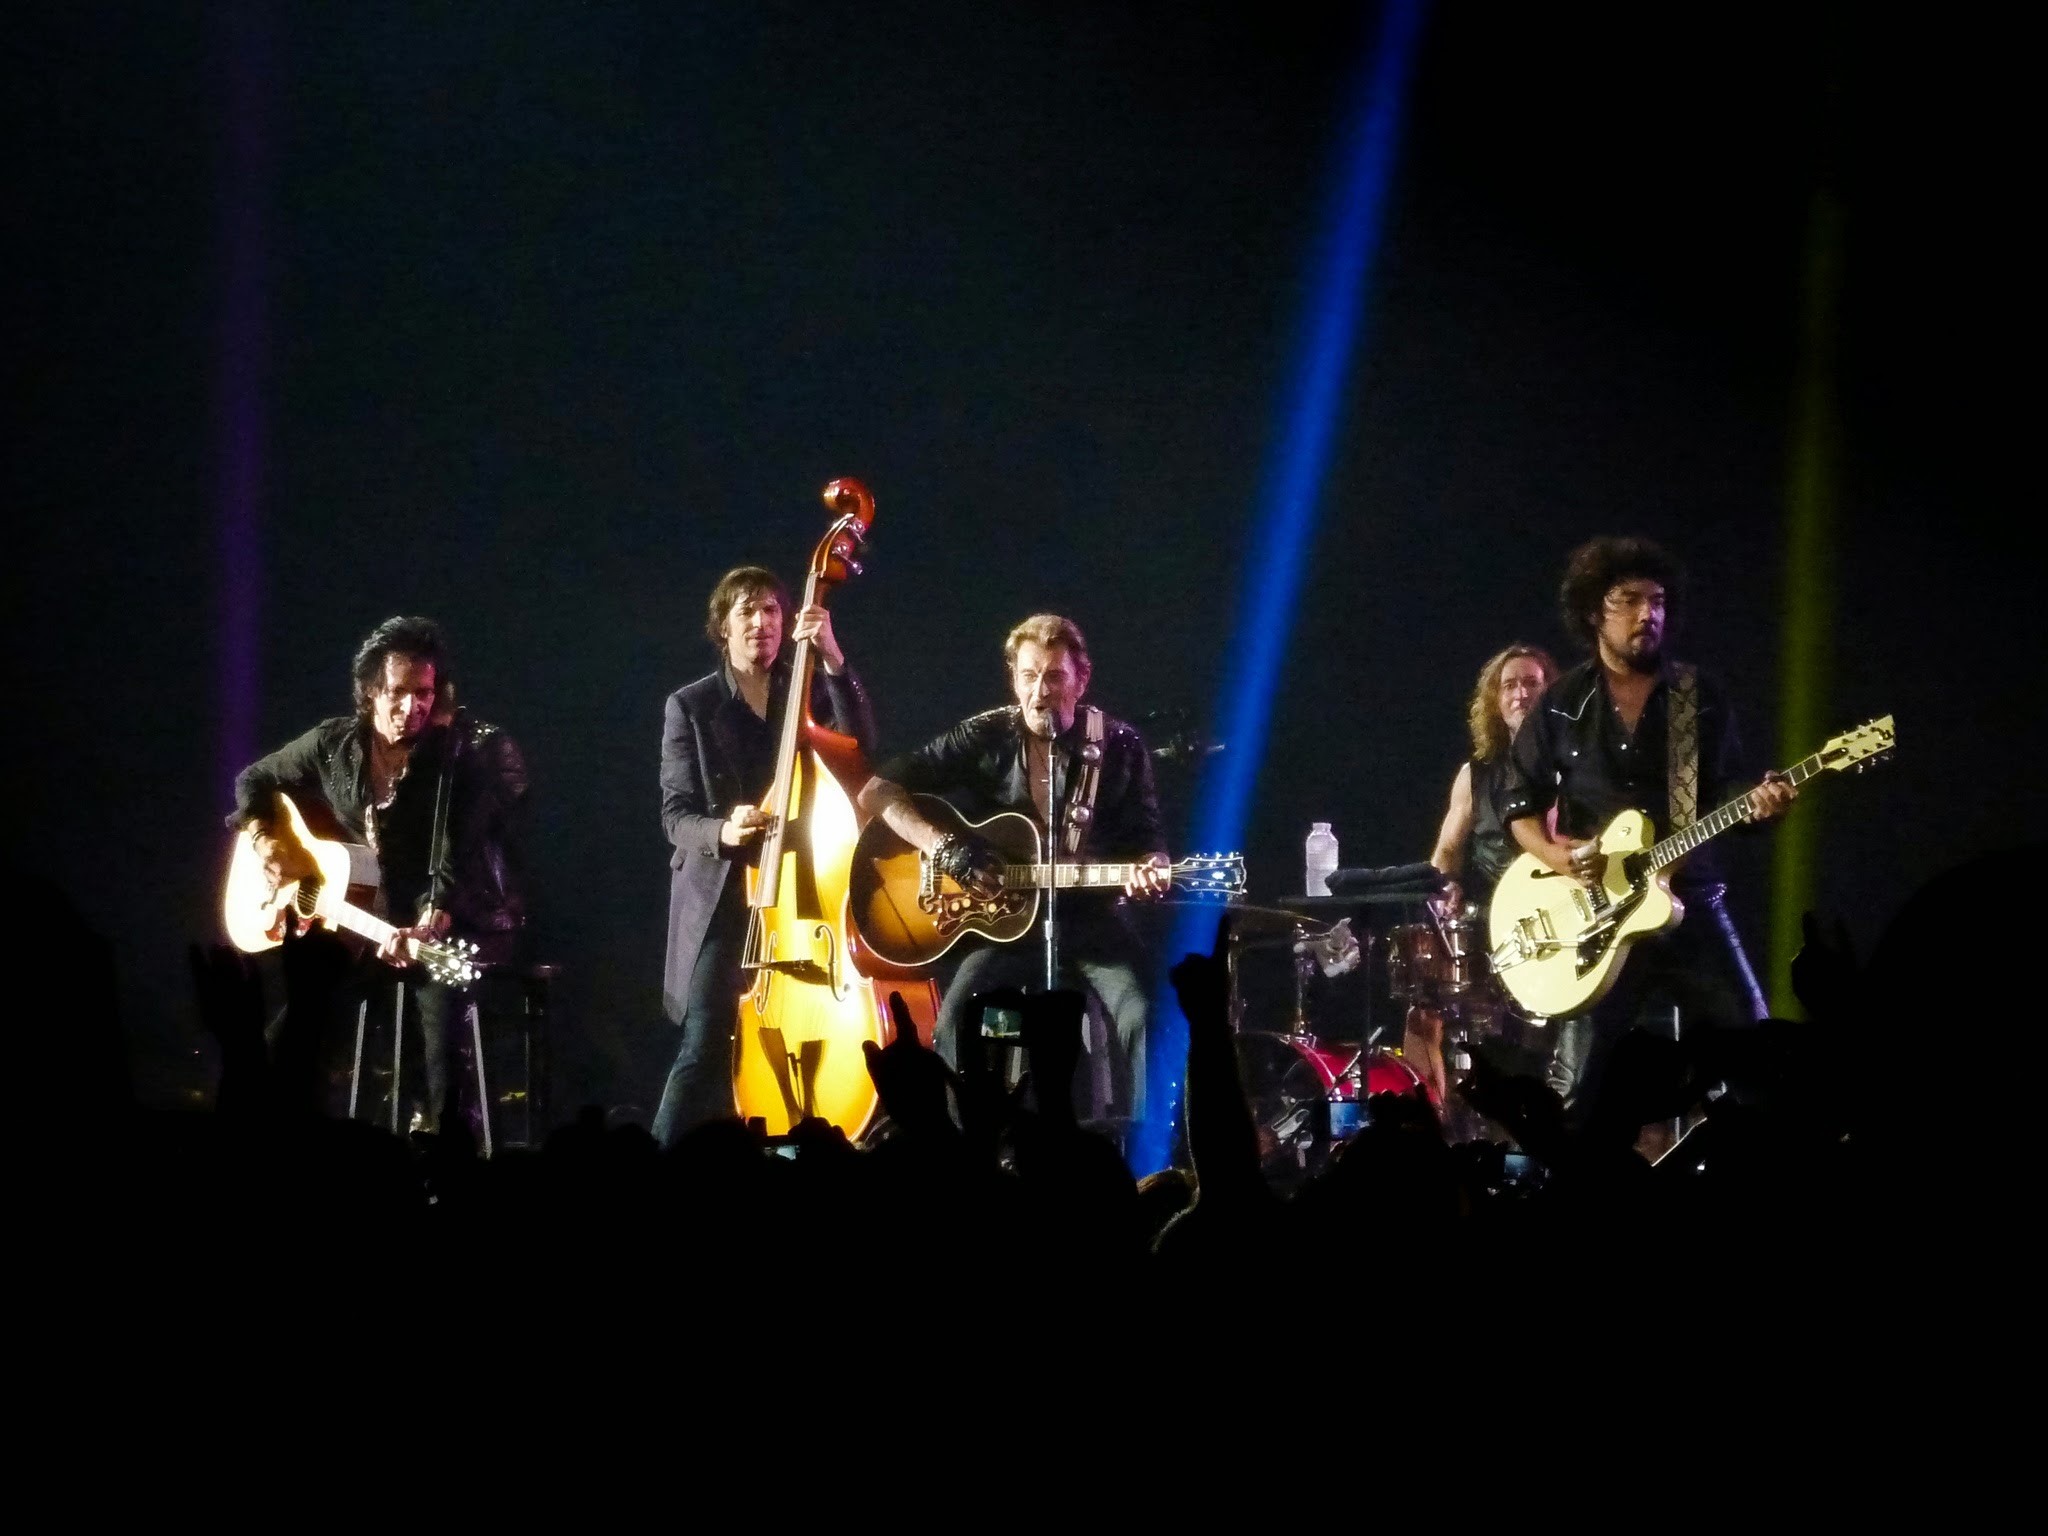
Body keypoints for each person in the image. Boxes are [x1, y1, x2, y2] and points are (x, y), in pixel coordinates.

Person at [1499, 537, 1795, 1114]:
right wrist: (1558, 857)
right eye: (1629, 600)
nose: (1647, 614)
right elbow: (1518, 806)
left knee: (1758, 1053)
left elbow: (1728, 787)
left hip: (1690, 900)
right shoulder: (1561, 702)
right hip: (1597, 917)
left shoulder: (1697, 695)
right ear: (1593, 612)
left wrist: (1761, 804)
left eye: (1657, 601)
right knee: (1583, 1089)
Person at [855, 614, 1168, 1127]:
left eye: (1054, 677)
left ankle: (1149, 1160)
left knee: (1144, 1013)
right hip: (1005, 929)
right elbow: (877, 791)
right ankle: (963, 1155)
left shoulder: (1121, 746)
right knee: (953, 1018)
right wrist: (942, 845)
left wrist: (1149, 871)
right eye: (1029, 676)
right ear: (1013, 678)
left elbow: (1148, 841)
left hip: (1090, 921)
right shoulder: (986, 734)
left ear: (1080, 680)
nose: (1040, 691)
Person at [654, 566, 875, 1146]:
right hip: (726, 896)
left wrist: (831, 657)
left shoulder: (804, 691)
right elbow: (675, 816)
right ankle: (651, 1165)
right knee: (707, 1038)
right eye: (747, 612)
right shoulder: (691, 706)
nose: (762, 623)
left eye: (773, 611)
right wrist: (724, 828)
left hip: (804, 899)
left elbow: (860, 747)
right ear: (722, 627)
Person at [230, 615, 476, 1123]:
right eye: (398, 692)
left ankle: (438, 1157)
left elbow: (452, 861)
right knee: (288, 1039)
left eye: (425, 693)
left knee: (437, 1047)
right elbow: (252, 780)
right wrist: (267, 843)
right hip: (342, 926)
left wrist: (432, 915)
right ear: (369, 691)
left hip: (411, 928)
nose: (413, 708)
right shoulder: (332, 744)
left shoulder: (452, 764)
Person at [1409, 643, 1558, 1115]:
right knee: (1420, 1003)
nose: (1520, 694)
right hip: (1493, 923)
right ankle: (1435, 1121)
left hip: (1564, 917)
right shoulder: (1475, 775)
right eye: (1509, 685)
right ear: (1495, 700)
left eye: (1531, 683)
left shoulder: (1575, 767)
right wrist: (1445, 885)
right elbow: (1448, 850)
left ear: (1551, 693)